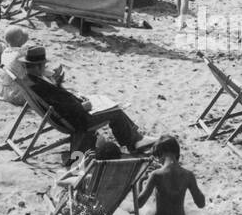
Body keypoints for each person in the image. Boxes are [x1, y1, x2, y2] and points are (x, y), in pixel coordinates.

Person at [20, 45, 148, 154]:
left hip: (65, 115)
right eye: (43, 65)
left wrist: (58, 83)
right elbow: (66, 109)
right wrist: (83, 106)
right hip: (77, 120)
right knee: (116, 112)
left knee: (110, 106)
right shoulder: (41, 86)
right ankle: (134, 143)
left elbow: (57, 101)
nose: (45, 67)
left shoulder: (30, 80)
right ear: (37, 67)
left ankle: (136, 138)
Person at [135, 134, 207, 215]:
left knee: (142, 210)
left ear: (161, 154)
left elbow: (138, 204)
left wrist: (140, 181)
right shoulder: (188, 175)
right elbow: (201, 204)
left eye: (158, 157)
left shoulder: (156, 174)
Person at [0, 26, 30, 103]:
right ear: (19, 38)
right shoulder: (20, 54)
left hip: (1, 92)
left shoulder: (4, 52)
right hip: (14, 95)